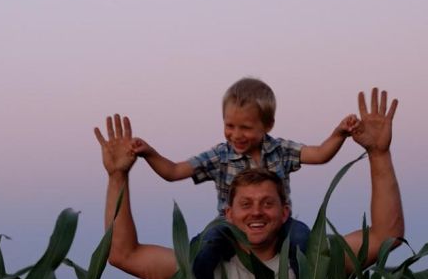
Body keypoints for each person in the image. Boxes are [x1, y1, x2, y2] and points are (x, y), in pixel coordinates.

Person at [94, 87, 404, 279]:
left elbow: (385, 236)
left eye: (267, 203)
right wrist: (118, 175)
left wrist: (379, 153)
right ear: (228, 214)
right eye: (246, 204)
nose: (256, 211)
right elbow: (123, 253)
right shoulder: (200, 262)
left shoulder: (314, 260)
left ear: (285, 212)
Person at [130, 76, 359, 259]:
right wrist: (149, 153)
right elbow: (173, 172)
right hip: (230, 227)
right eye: (229, 125)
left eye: (246, 127)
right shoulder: (221, 156)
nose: (236, 135)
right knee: (201, 249)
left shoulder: (280, 150)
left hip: (276, 224)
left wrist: (339, 134)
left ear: (267, 125)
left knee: (304, 240)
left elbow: (320, 155)